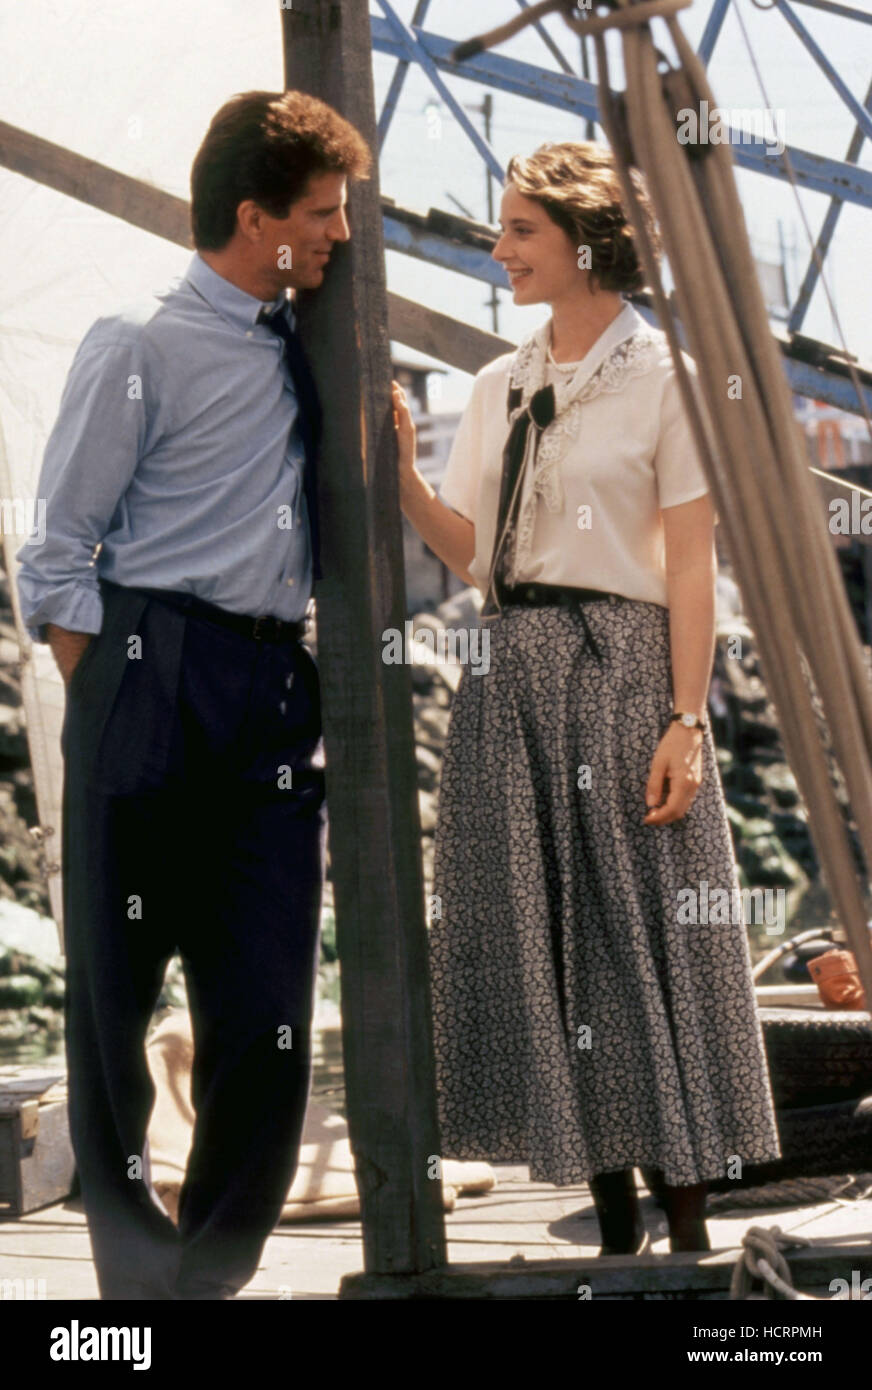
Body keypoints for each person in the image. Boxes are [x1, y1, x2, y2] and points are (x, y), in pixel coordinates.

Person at [393, 140, 782, 1256]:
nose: (497, 247)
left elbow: (690, 566)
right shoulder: (495, 383)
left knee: (645, 936)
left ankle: (693, 1232)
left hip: (619, 672)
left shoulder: (666, 377)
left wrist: (686, 719)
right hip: (508, 673)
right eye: (501, 228)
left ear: (584, 243)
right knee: (544, 940)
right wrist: (408, 480)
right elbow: (475, 555)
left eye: (519, 229)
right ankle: (615, 1237)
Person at [15, 89, 370, 1299]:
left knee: (269, 1008)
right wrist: (112, 684)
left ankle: (204, 1286)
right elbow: (56, 550)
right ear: (252, 215)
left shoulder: (308, 331)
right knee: (114, 1017)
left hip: (273, 687)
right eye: (319, 215)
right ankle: (135, 1292)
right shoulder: (138, 340)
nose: (337, 236)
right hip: (148, 668)